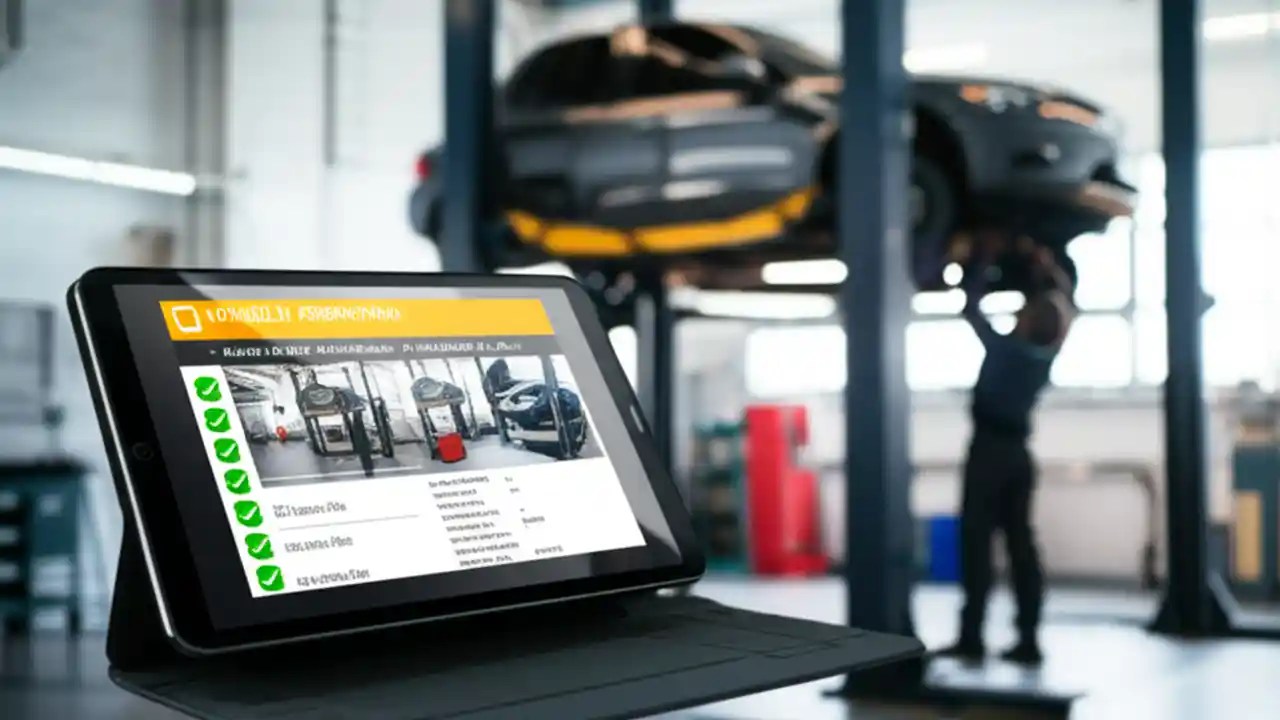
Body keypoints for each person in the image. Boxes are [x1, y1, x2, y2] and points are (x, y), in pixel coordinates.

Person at [940, 235, 1075, 666]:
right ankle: (1028, 638)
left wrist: (984, 257)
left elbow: (970, 308)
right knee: (1021, 547)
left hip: (988, 455)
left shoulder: (1006, 350)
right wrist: (1049, 270)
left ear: (1028, 322)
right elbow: (1069, 305)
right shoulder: (1045, 356)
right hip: (1019, 457)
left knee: (976, 544)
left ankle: (971, 637)